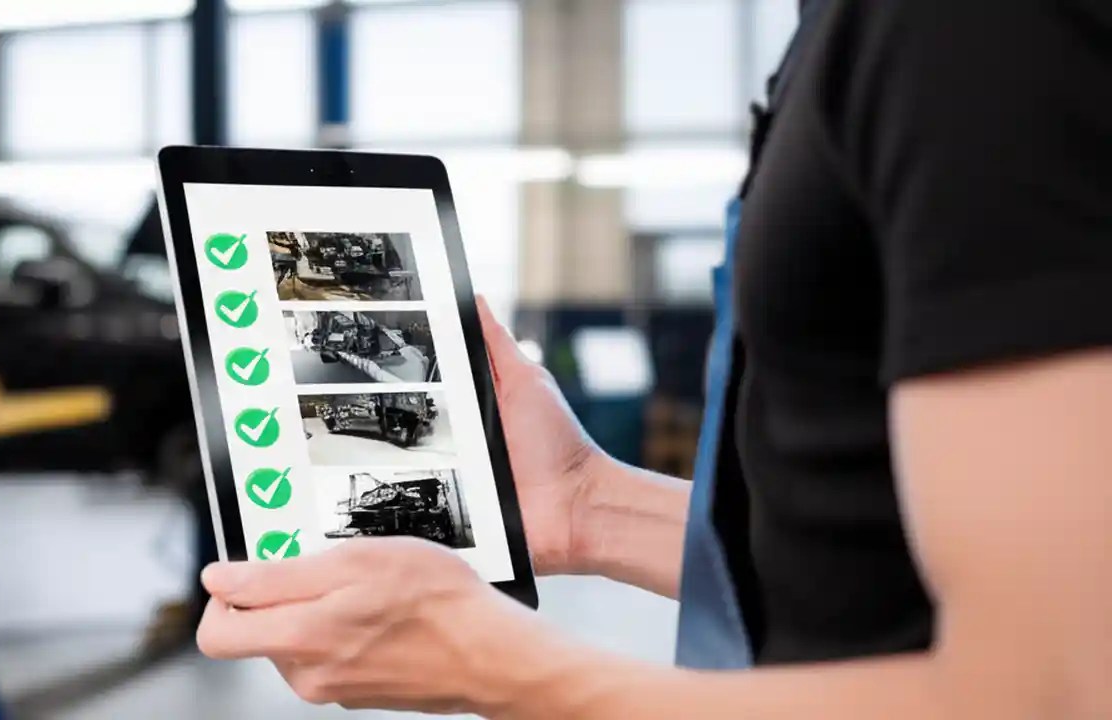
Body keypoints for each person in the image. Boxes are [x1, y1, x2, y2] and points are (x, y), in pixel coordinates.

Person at [193, 0, 1112, 716]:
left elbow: (1056, 699)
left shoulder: (981, 33)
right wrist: (590, 504)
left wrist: (501, 666)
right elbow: (876, 559)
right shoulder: (844, 32)